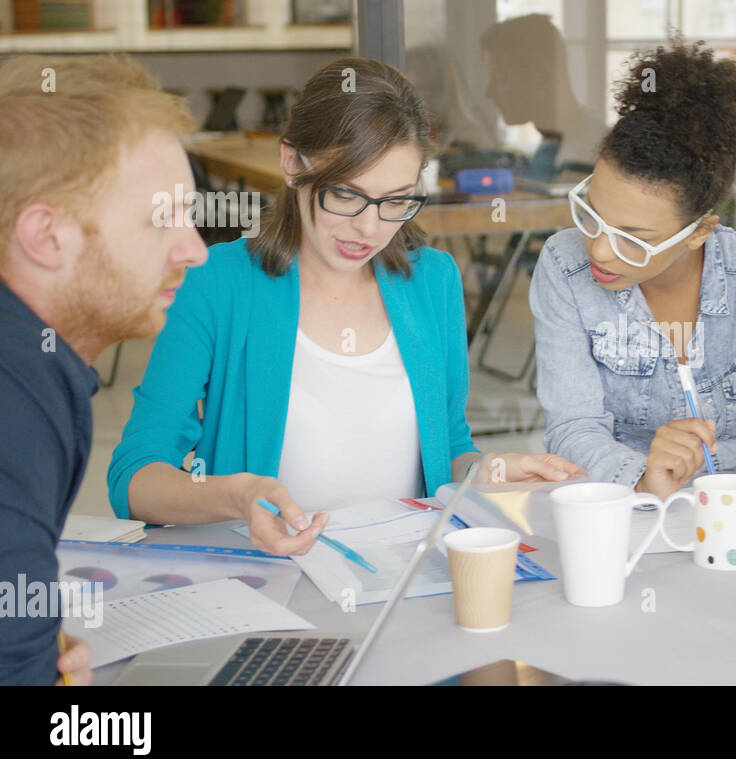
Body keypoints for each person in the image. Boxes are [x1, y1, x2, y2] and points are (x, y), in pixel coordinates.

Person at [109, 57, 583, 555]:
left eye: (397, 200)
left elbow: (450, 451)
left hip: (403, 580)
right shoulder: (218, 283)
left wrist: (491, 470)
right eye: (346, 194)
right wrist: (237, 496)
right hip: (271, 580)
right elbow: (134, 477)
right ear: (293, 163)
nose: (369, 229)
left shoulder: (433, 280)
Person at [530, 39, 736, 500]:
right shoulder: (563, 266)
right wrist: (641, 475)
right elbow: (573, 427)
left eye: (634, 237)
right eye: (592, 215)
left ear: (699, 231)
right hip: (623, 513)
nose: (598, 249)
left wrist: (708, 460)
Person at [0, 55, 207, 684]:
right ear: (47, 236)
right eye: (163, 218)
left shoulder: (32, 367)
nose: (195, 250)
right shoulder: (14, 413)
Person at [480, 13, 606, 173]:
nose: (488, 92)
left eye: (500, 78)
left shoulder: (582, 159)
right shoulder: (553, 143)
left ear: (540, 77)